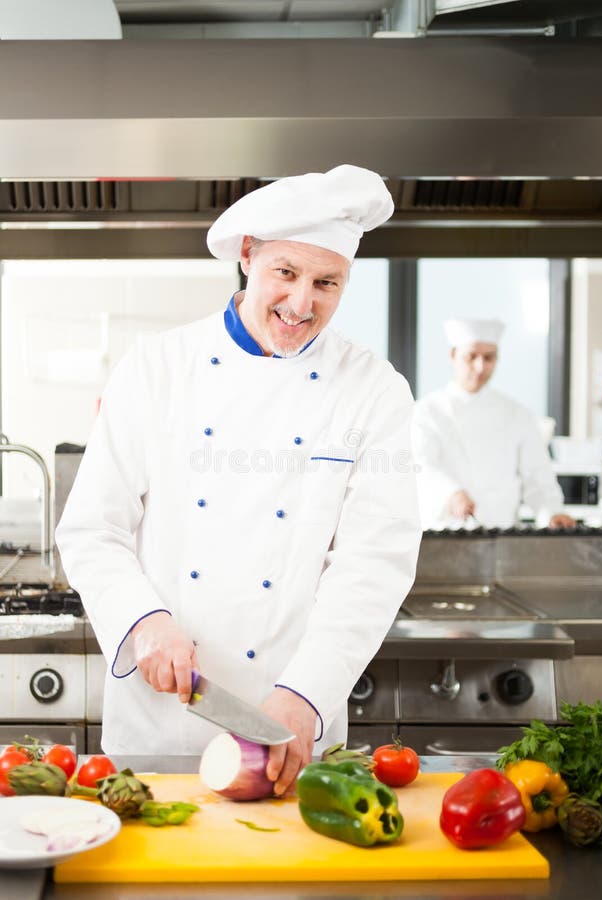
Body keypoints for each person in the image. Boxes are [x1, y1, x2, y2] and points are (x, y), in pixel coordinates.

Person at [56, 164, 422, 796]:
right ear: (248, 256)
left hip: (291, 721)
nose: (302, 304)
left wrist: (305, 694)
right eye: (286, 273)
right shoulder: (157, 368)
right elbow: (93, 528)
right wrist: (143, 620)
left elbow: (375, 561)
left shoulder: (375, 391)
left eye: (326, 282)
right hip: (160, 723)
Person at [411, 317, 576, 530]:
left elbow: (538, 476)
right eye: (471, 356)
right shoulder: (426, 411)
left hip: (502, 536)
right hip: (443, 533)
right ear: (453, 356)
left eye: (489, 358)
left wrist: (552, 513)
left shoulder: (517, 415)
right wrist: (450, 494)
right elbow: (421, 466)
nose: (480, 366)